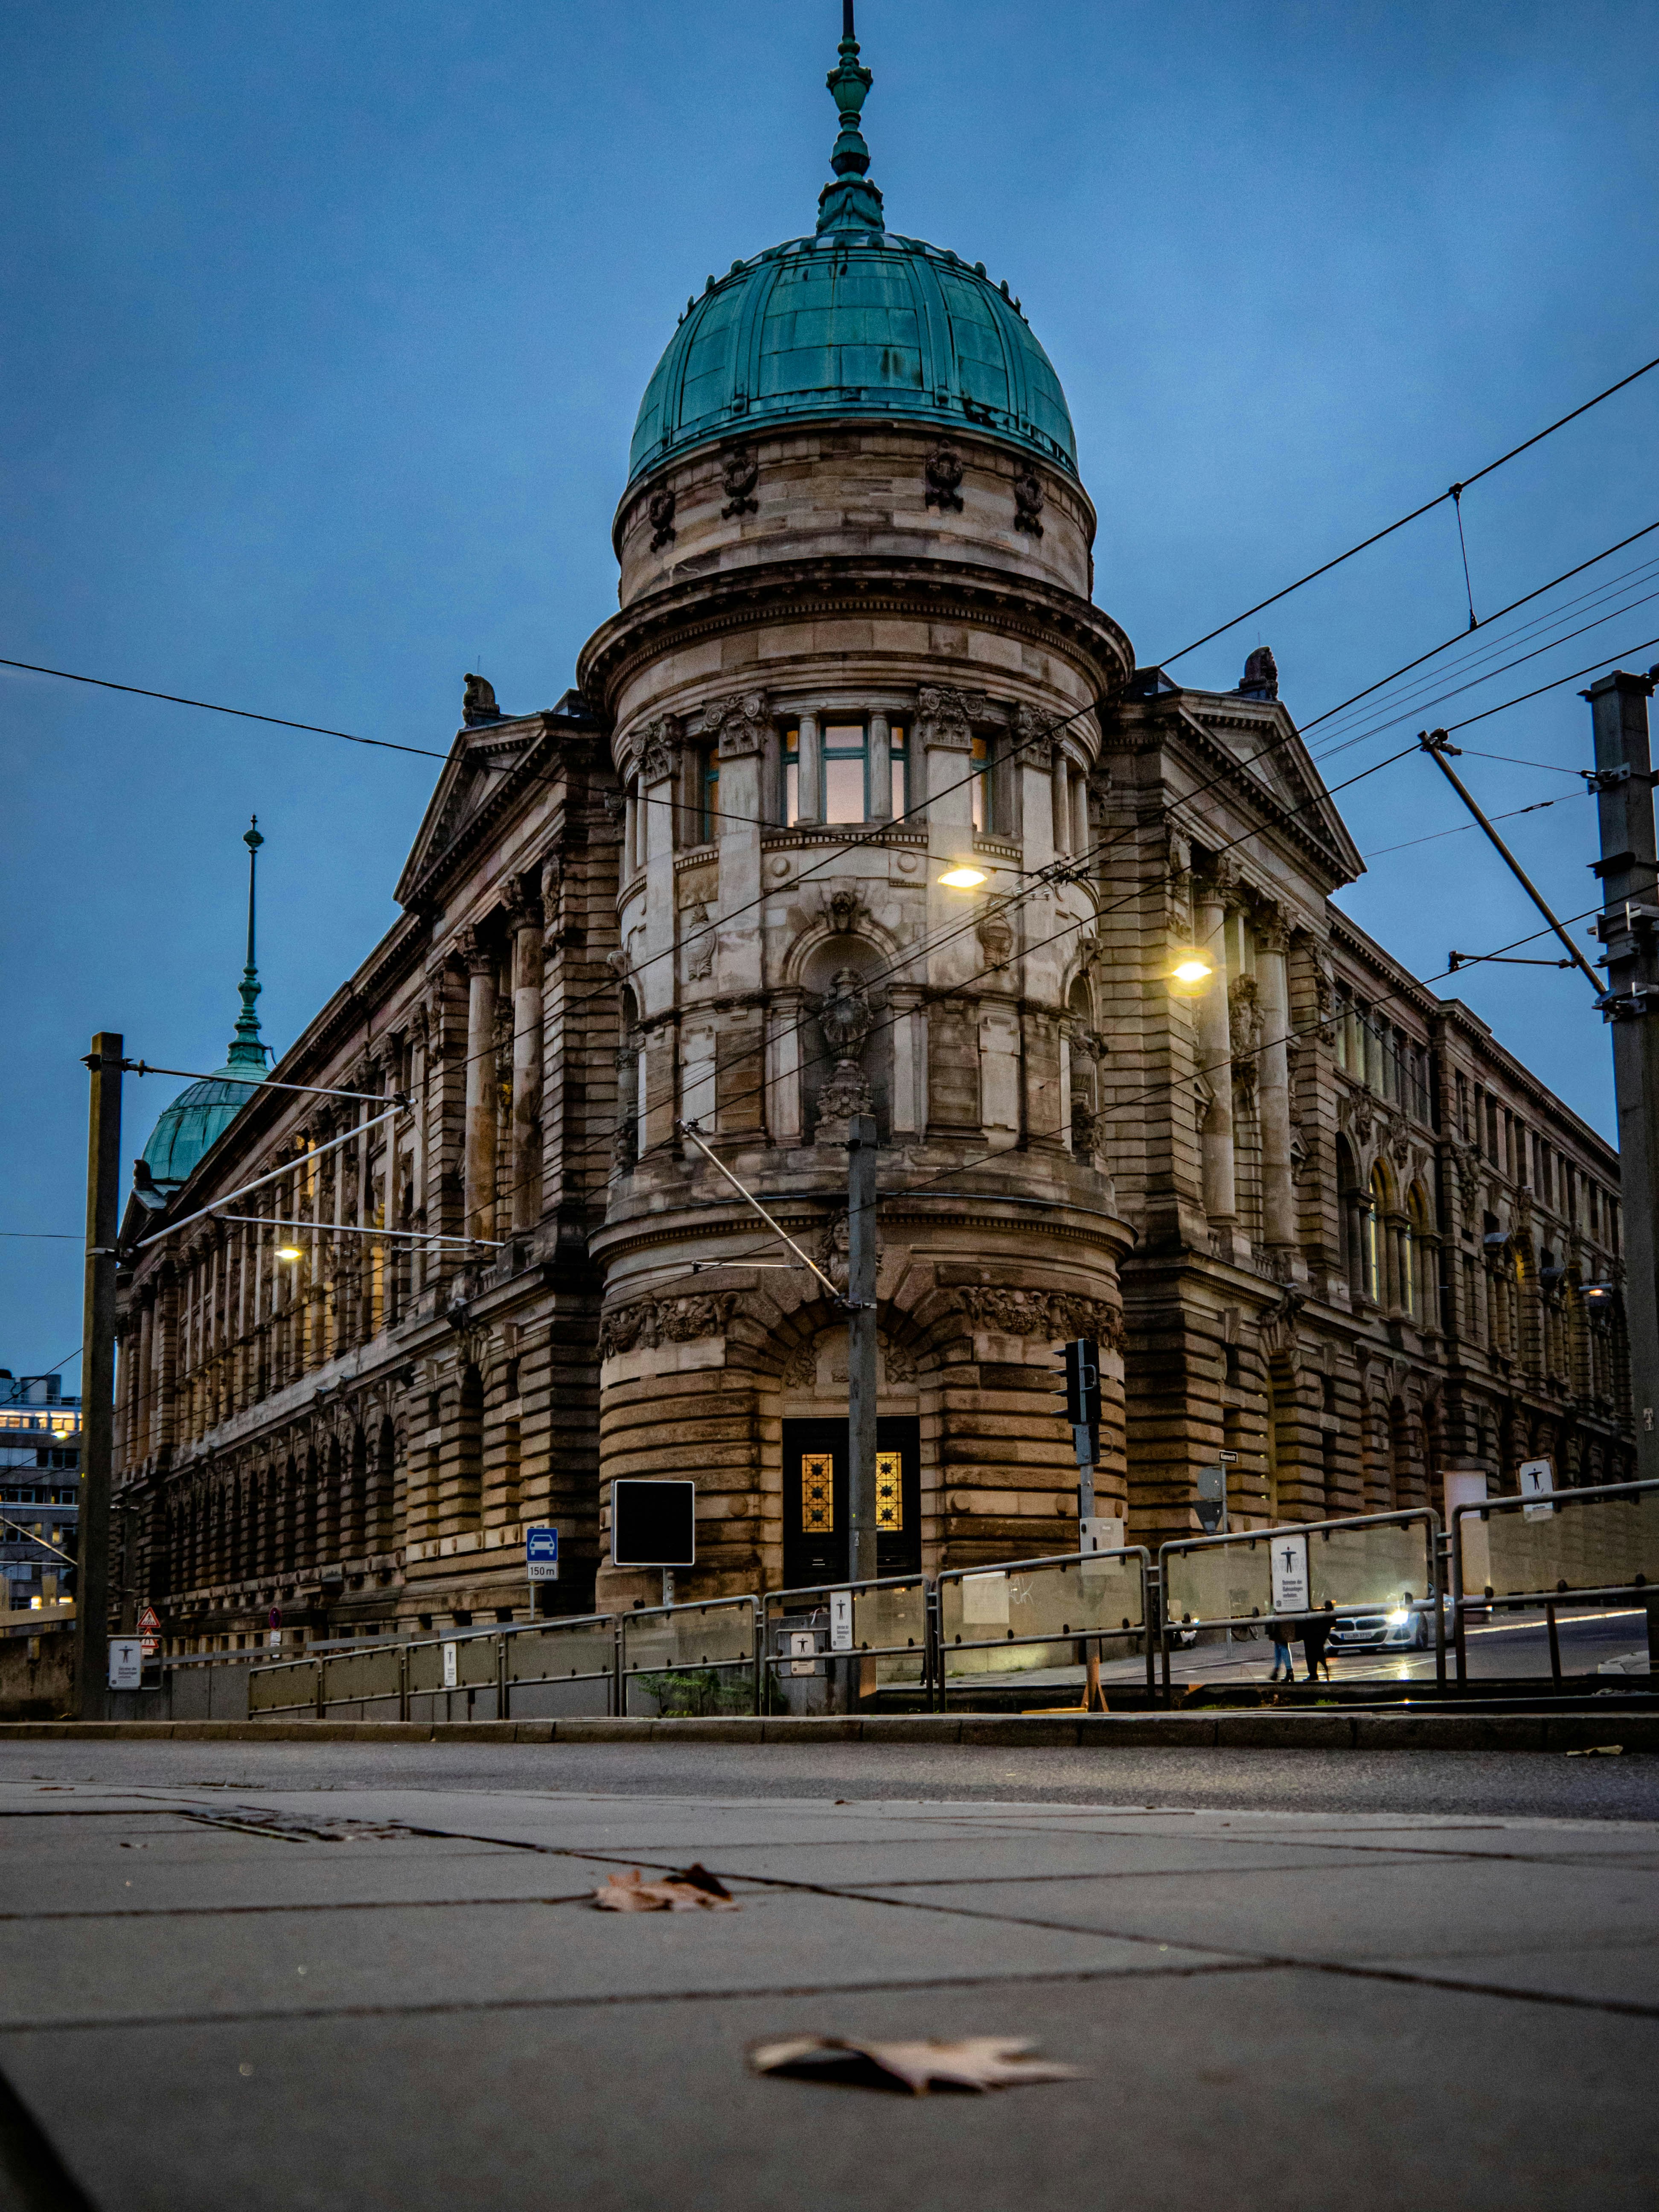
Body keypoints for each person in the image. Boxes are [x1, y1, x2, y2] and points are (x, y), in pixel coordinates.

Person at [1301, 1601, 1337, 1683]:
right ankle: (1323, 1670)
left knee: (1311, 1654)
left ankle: (1314, 1674)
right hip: (1320, 1636)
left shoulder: (1318, 1611)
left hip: (1314, 1634)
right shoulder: (1329, 1613)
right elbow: (1333, 1624)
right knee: (1317, 1653)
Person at [1265, 1614, 1296, 1682]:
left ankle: (1288, 1671)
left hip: (1280, 1618)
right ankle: (1281, 1670)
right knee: (1278, 1643)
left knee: (1281, 1643)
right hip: (1283, 1617)